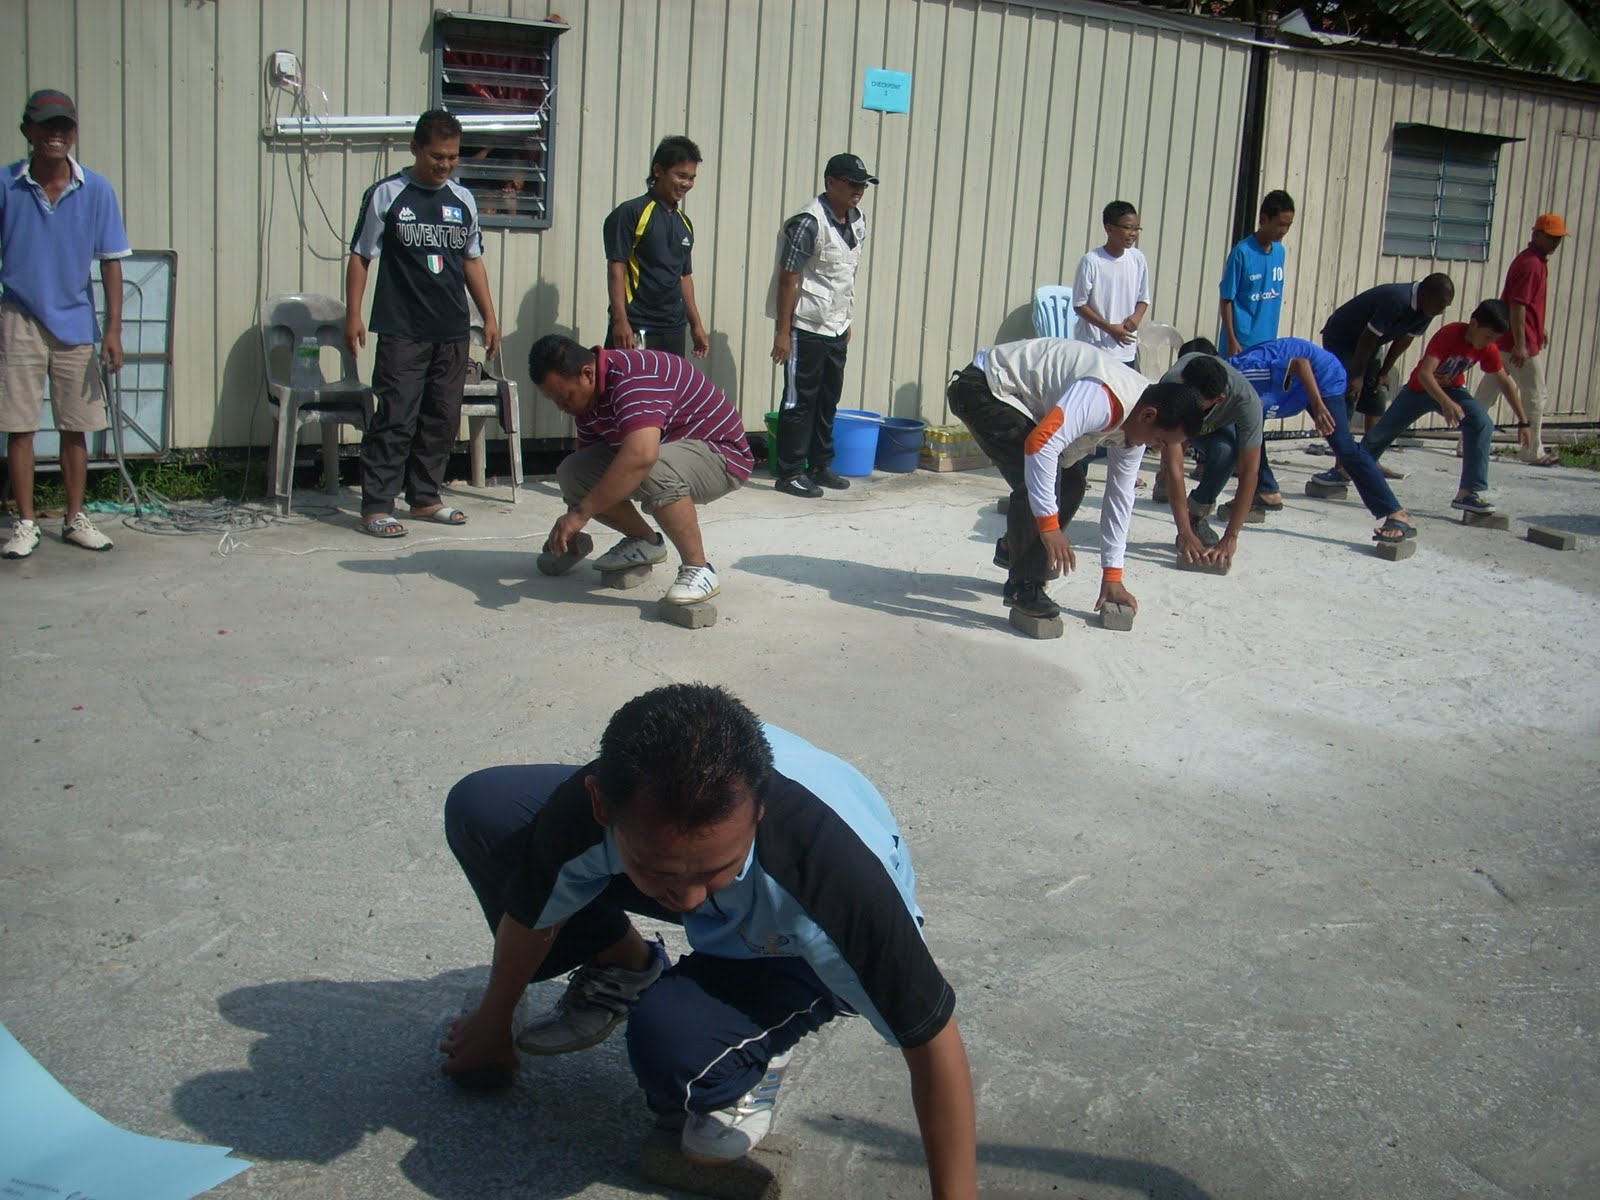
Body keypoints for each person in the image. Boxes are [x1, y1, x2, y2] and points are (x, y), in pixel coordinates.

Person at [438, 683, 978, 1194]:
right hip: (706, 854)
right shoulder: (597, 807)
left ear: (760, 810)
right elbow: (533, 911)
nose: (691, 903)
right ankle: (625, 961)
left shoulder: (834, 885)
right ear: (602, 805)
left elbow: (933, 1041)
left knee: (671, 1048)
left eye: (716, 869)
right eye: (661, 871)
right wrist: (493, 1023)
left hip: (792, 933)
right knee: (488, 810)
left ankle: (753, 1060)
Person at [946, 338, 1203, 621]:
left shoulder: (1140, 422)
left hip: (1013, 400)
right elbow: (1040, 444)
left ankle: (1013, 550)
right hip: (981, 388)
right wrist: (1049, 527)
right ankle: (1024, 585)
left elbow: (1120, 497)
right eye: (1160, 440)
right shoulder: (1105, 398)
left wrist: (1113, 575)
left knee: (1071, 484)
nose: (1157, 449)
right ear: (1148, 415)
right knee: (1044, 479)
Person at [346, 109, 500, 539]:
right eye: (437, 156)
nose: (445, 165)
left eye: (452, 157)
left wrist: (489, 316)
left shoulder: (462, 199)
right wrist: (353, 313)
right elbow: (361, 256)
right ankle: (377, 505)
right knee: (396, 415)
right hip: (402, 328)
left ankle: (425, 497)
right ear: (415, 148)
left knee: (442, 417)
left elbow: (472, 259)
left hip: (450, 329)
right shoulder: (387, 194)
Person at [1, 89, 129, 560]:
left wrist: (113, 329)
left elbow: (112, 261)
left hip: (76, 320)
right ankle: (26, 521)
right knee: (19, 425)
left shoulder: (96, 189)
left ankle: (76, 518)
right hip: (18, 316)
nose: (56, 135)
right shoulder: (6, 185)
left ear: (74, 132)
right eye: (46, 125)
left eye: (64, 126)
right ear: (27, 131)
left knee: (76, 425)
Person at [529, 334, 752, 605]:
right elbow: (589, 465)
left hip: (722, 456)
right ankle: (644, 541)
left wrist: (580, 515)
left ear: (587, 373)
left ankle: (699, 570)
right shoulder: (587, 400)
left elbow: (641, 455)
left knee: (649, 463)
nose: (563, 407)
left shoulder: (634, 377)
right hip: (669, 450)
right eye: (555, 401)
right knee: (573, 471)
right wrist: (571, 530)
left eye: (565, 398)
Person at [1230, 337, 1418, 545]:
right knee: (1248, 430)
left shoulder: (1242, 373)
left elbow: (1302, 364)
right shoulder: (1232, 393)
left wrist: (1319, 406)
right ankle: (1267, 491)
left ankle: (1397, 513)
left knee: (1343, 445)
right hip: (1293, 387)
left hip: (1321, 375)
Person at [767, 153, 876, 499]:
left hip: (836, 324)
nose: (858, 190)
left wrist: (847, 320)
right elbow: (789, 279)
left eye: (862, 184)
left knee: (829, 397)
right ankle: (790, 472)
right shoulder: (807, 222)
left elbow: (846, 276)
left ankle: (820, 464)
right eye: (851, 182)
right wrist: (784, 331)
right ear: (830, 182)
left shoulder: (857, 221)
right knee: (800, 401)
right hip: (806, 325)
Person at [1355, 301, 1527, 520]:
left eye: (1494, 340)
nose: (1489, 343)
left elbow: (1505, 382)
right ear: (1473, 324)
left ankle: (1467, 493)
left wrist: (1524, 421)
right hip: (1419, 390)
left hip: (1453, 390)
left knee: (1482, 422)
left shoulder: (1487, 347)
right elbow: (1425, 374)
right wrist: (1446, 403)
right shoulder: (1450, 333)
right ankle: (1344, 472)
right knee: (1381, 434)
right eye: (1487, 336)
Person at [1154, 347, 1265, 572]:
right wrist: (1182, 532)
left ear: (1220, 399)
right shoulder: (1173, 384)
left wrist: (1231, 537)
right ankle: (1163, 480)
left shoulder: (1247, 402)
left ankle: (1196, 516)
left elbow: (1249, 473)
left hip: (1213, 428)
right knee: (1171, 464)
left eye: (1197, 403)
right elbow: (1178, 466)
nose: (1190, 405)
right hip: (1176, 426)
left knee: (1226, 452)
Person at [603, 136, 709, 360]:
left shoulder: (684, 223)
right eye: (680, 175)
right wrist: (620, 321)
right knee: (631, 393)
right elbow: (616, 268)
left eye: (691, 178)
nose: (686, 184)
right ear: (658, 170)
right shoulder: (630, 213)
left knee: (667, 394)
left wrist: (696, 326)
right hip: (637, 327)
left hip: (673, 329)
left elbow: (685, 277)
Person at [1474, 214, 1566, 467]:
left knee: (1487, 393)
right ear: (1537, 234)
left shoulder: (1533, 261)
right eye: (1552, 237)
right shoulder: (1532, 264)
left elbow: (1527, 305)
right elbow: (1517, 306)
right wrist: (1521, 343)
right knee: (1535, 395)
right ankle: (1532, 451)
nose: (1556, 242)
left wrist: (1539, 328)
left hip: (1509, 339)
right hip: (1517, 344)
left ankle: (1467, 443)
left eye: (1558, 238)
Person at [1321, 273, 1455, 434]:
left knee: (1377, 394)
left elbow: (1404, 341)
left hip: (1371, 344)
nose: (1442, 311)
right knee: (1350, 391)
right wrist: (1357, 374)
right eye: (1441, 304)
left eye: (1446, 306)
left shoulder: (1428, 311)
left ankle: (1369, 453)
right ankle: (1342, 453)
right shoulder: (1398, 299)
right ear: (1426, 295)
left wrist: (1384, 372)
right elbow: (1368, 336)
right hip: (1342, 338)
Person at [1071, 200, 1151, 369]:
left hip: (1125, 349)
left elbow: (1143, 298)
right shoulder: (1092, 261)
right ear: (1109, 228)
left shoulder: (1137, 259)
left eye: (1137, 228)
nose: (1133, 233)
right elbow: (1079, 304)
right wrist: (1110, 329)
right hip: (1094, 349)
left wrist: (1136, 318)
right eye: (1128, 228)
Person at [1218, 190, 1294, 356]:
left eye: (1288, 225)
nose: (1284, 230)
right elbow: (1226, 299)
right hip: (1241, 345)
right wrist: (1232, 339)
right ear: (1263, 219)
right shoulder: (1242, 253)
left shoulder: (1280, 252)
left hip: (1267, 344)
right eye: (1280, 224)